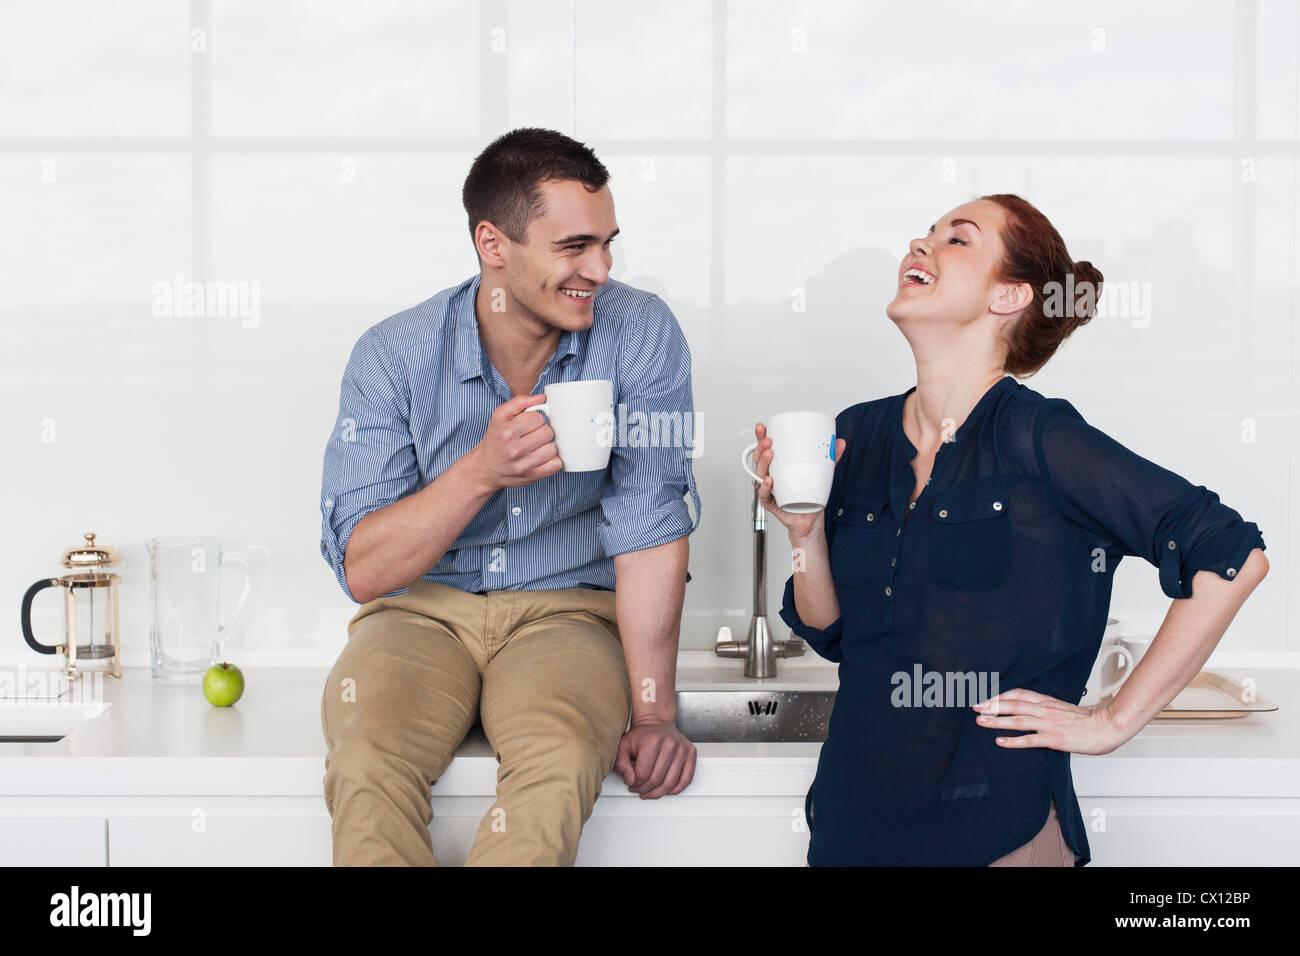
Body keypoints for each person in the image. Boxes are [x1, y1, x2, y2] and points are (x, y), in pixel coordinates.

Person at [753, 193, 1269, 866]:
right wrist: (804, 531)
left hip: (996, 831)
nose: (922, 244)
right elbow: (833, 634)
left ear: (1008, 296)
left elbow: (1231, 553)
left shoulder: (1039, 437)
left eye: (957, 239)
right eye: (926, 232)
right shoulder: (856, 433)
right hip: (854, 825)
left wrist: (1112, 721)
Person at [318, 128, 701, 866]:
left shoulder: (641, 332)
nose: (601, 267)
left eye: (608, 243)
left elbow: (650, 525)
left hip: (567, 612)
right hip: (419, 610)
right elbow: (365, 570)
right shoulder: (392, 355)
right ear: (494, 244)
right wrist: (480, 471)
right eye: (574, 247)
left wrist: (654, 712)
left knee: (560, 755)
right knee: (367, 757)